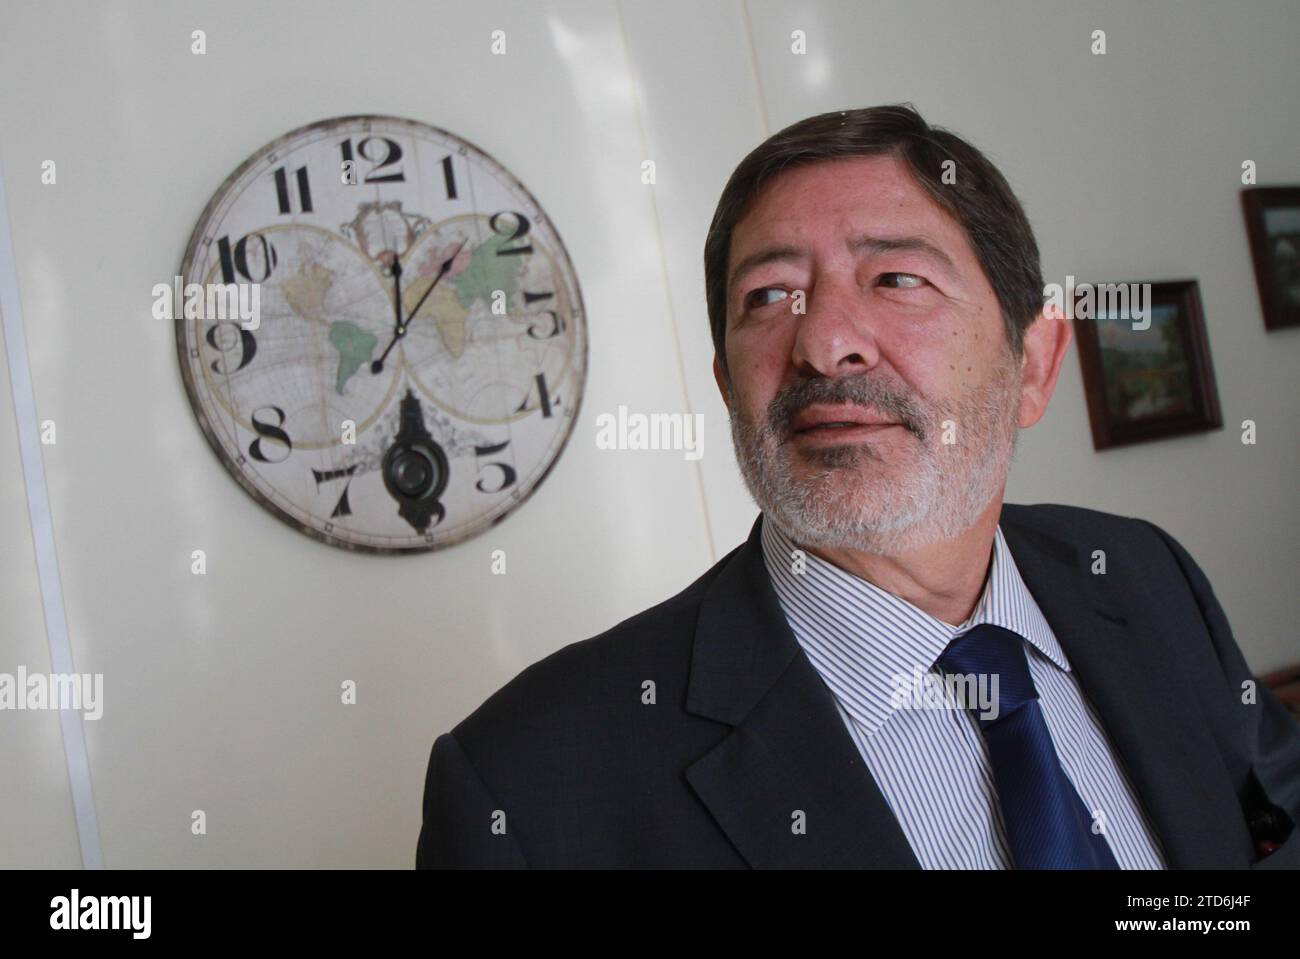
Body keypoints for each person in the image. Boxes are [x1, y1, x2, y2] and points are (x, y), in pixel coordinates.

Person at [416, 104, 1300, 868]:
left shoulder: (1143, 575)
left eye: (896, 278)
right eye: (769, 295)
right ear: (728, 384)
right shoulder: (530, 787)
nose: (824, 340)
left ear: (1034, 365)